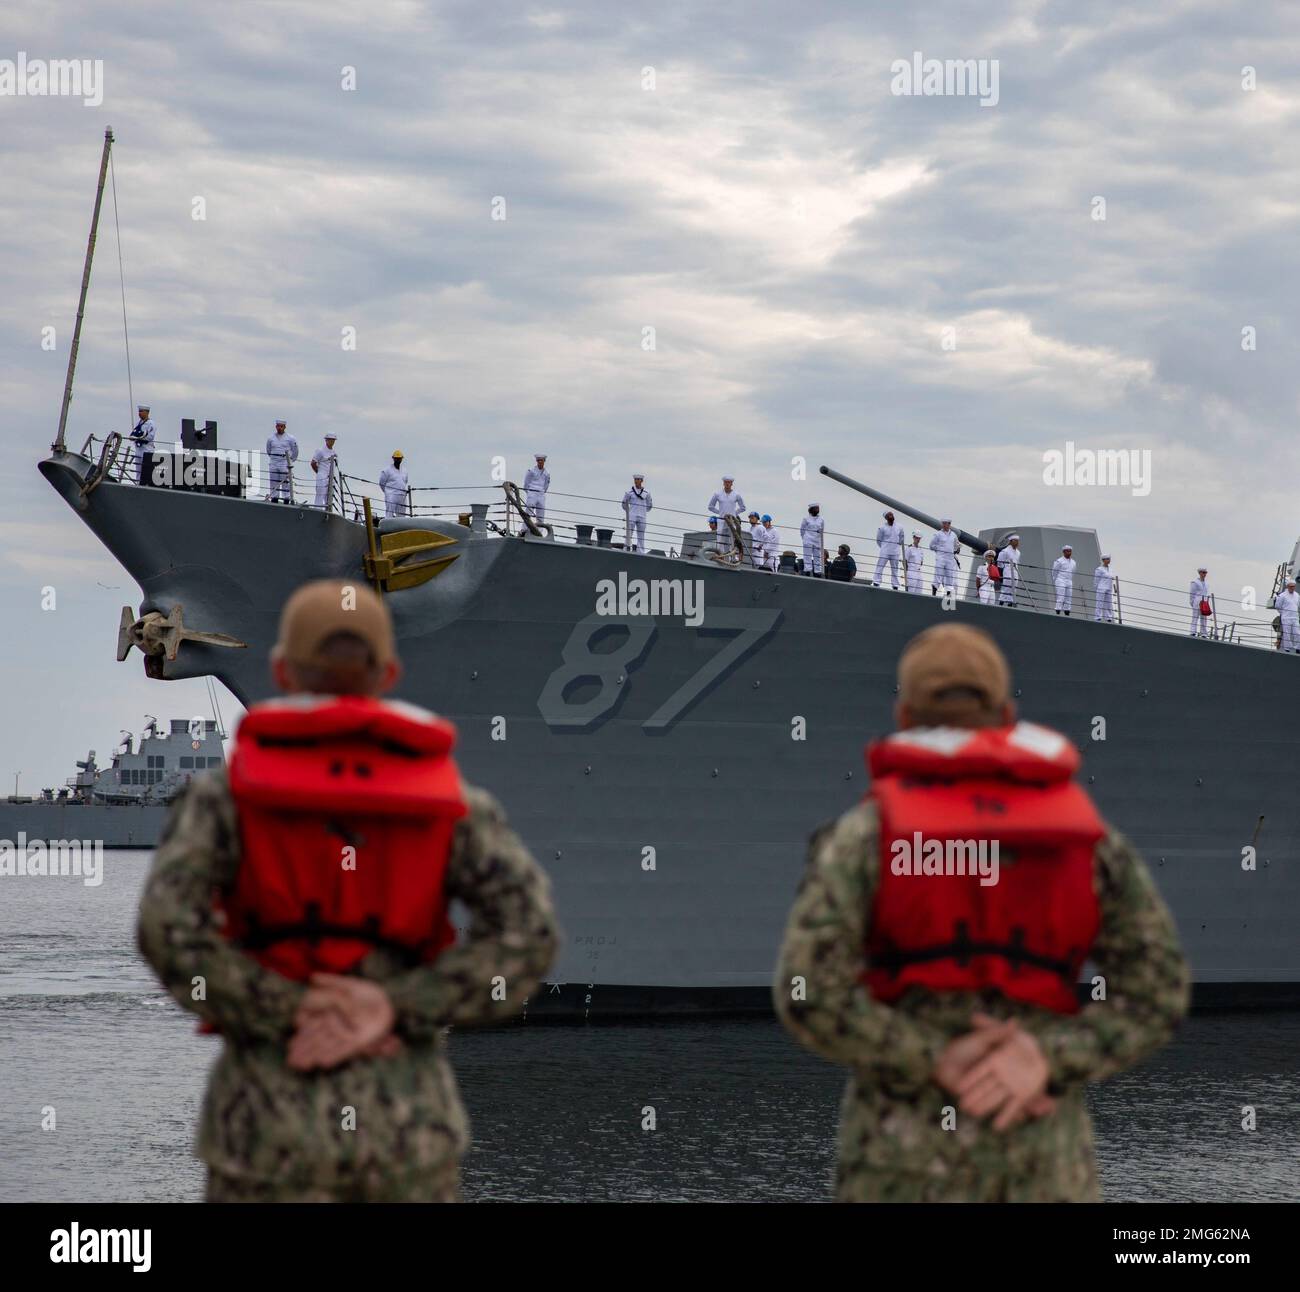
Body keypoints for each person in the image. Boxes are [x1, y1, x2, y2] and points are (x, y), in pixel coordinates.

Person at [137, 580, 559, 1202]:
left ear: (280, 669)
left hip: (264, 1130)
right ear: (390, 672)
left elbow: (166, 931)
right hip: (404, 1132)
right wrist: (394, 1007)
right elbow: (529, 935)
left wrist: (286, 1011)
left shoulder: (222, 801)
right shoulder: (455, 806)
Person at [773, 622, 1189, 1202]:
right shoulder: (1087, 842)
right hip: (1044, 1165)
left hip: (898, 1168)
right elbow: (1159, 989)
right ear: (1006, 713)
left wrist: (934, 1058)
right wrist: (1045, 1058)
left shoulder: (865, 838)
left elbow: (806, 991)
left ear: (905, 715)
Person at [266, 420, 299, 504]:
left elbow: (295, 451)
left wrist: (291, 460)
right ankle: (274, 497)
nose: (279, 428)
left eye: (281, 426)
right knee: (273, 481)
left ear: (284, 427)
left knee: (285, 482)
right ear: (276, 426)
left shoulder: (290, 438)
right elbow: (268, 450)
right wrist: (274, 457)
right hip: (274, 461)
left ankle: (286, 498)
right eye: (278, 426)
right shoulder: (271, 438)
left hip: (284, 462)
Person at [622, 473, 653, 554]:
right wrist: (628, 512)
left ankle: (641, 551)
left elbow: (650, 505)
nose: (636, 481)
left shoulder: (646, 493)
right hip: (632, 515)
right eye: (635, 480)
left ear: (641, 481)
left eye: (638, 480)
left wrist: (643, 510)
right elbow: (624, 504)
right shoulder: (629, 493)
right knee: (629, 533)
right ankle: (626, 548)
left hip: (642, 516)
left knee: (641, 534)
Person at [873, 511, 905, 588]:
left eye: (892, 514)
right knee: (880, 566)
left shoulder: (899, 527)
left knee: (895, 569)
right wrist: (884, 547)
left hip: (895, 551)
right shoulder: (882, 528)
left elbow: (902, 537)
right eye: (889, 515)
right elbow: (878, 540)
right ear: (886, 517)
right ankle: (876, 582)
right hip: (885, 551)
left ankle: (895, 585)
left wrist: (897, 545)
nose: (891, 516)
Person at [928, 519, 960, 595]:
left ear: (949, 524)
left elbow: (956, 545)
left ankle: (948, 595)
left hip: (949, 558)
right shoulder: (938, 534)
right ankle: (934, 593)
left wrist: (953, 550)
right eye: (944, 523)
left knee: (950, 576)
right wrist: (939, 549)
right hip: (941, 558)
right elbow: (931, 546)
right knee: (938, 575)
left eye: (947, 524)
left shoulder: (953, 535)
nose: (945, 525)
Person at [310, 434, 339, 510]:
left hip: (330, 476)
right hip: (322, 474)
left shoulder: (334, 452)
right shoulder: (320, 450)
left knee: (329, 496)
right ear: (326, 440)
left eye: (333, 440)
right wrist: (319, 472)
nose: (331, 441)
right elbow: (313, 463)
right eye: (329, 439)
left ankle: (328, 511)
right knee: (320, 494)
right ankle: (318, 509)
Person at [129, 403, 156, 485]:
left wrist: (139, 437)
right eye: (139, 411)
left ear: (147, 412)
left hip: (147, 449)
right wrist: (134, 437)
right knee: (138, 469)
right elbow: (134, 433)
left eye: (141, 411)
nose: (139, 413)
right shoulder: (139, 423)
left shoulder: (151, 423)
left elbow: (150, 436)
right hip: (138, 449)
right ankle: (138, 484)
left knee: (146, 468)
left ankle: (146, 484)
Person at [378, 450, 409, 518]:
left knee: (401, 514)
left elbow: (405, 481)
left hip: (402, 494)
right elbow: (381, 483)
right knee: (390, 512)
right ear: (393, 458)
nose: (398, 460)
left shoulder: (404, 470)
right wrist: (387, 491)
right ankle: (389, 524)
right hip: (391, 494)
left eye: (399, 458)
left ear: (401, 459)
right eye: (396, 458)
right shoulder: (387, 470)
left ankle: (401, 526)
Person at [523, 454, 550, 527]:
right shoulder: (531, 471)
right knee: (529, 512)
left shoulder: (546, 473)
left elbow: (546, 485)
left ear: (544, 461)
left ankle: (539, 531)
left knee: (541, 514)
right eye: (538, 460)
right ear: (536, 461)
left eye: (541, 460)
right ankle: (524, 529)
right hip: (532, 492)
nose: (540, 462)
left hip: (541, 494)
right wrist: (529, 493)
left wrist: (541, 492)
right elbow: (526, 484)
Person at [1275, 577, 1300, 654]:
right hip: (1286, 618)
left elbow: (1298, 605)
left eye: (1293, 586)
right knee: (1287, 634)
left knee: (1297, 633)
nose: (1292, 588)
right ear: (1287, 586)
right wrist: (1284, 613)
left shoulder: (1297, 595)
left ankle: (1298, 648)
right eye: (1291, 586)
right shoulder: (1282, 595)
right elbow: (1277, 606)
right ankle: (1287, 648)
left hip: (1295, 617)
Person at [800, 505, 825, 577]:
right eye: (816, 508)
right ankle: (808, 570)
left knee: (817, 556)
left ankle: (817, 571)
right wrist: (804, 538)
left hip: (817, 540)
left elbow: (822, 529)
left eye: (818, 508)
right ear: (811, 509)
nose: (817, 509)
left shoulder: (821, 519)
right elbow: (802, 529)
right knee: (807, 556)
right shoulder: (806, 519)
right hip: (808, 539)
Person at [1052, 545, 1077, 615]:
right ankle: (1058, 610)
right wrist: (1056, 580)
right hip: (1060, 580)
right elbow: (1054, 571)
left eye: (1070, 551)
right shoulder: (1059, 561)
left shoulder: (1073, 562)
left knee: (1069, 597)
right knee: (1061, 596)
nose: (1069, 552)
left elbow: (1073, 571)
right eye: (1067, 551)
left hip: (1069, 580)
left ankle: (1067, 611)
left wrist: (1069, 579)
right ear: (1064, 552)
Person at [997, 535, 1021, 607]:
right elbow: (999, 562)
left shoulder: (1018, 552)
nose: (1017, 542)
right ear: (1010, 541)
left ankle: (1011, 603)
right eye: (1015, 540)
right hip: (1007, 569)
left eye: (1018, 541)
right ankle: (1001, 603)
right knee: (1006, 587)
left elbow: (1017, 561)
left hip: (1015, 570)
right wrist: (1003, 570)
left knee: (1014, 587)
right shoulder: (1005, 551)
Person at [1189, 567, 1212, 638]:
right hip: (1197, 601)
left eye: (1205, 573)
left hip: (1204, 601)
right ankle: (1193, 631)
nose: (1204, 574)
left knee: (1204, 618)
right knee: (1195, 616)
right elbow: (1192, 594)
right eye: (1203, 572)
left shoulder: (1207, 583)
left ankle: (1204, 633)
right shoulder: (1194, 582)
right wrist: (1192, 603)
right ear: (1199, 573)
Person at [1094, 555, 1115, 623]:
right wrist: (1096, 587)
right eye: (1106, 559)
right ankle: (1098, 616)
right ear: (1103, 560)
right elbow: (1096, 579)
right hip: (1101, 587)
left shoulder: (1111, 569)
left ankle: (1108, 617)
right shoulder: (1099, 569)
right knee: (1099, 602)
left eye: (1109, 559)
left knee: (1108, 603)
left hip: (1109, 587)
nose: (1108, 560)